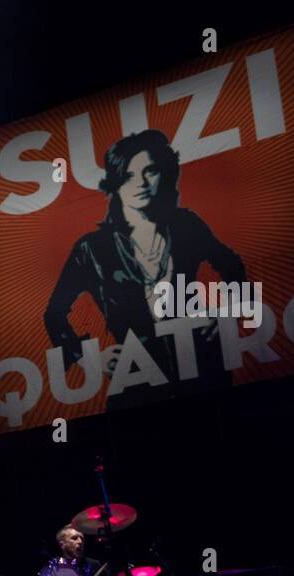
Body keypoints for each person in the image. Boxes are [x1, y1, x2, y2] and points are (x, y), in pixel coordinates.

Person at [43, 129, 247, 409]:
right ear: (115, 183)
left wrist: (227, 313)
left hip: (203, 375)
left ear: (164, 174)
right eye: (128, 175)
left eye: (149, 171)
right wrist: (87, 357)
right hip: (139, 388)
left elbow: (233, 266)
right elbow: (54, 314)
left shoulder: (185, 224)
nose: (139, 183)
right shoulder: (92, 248)